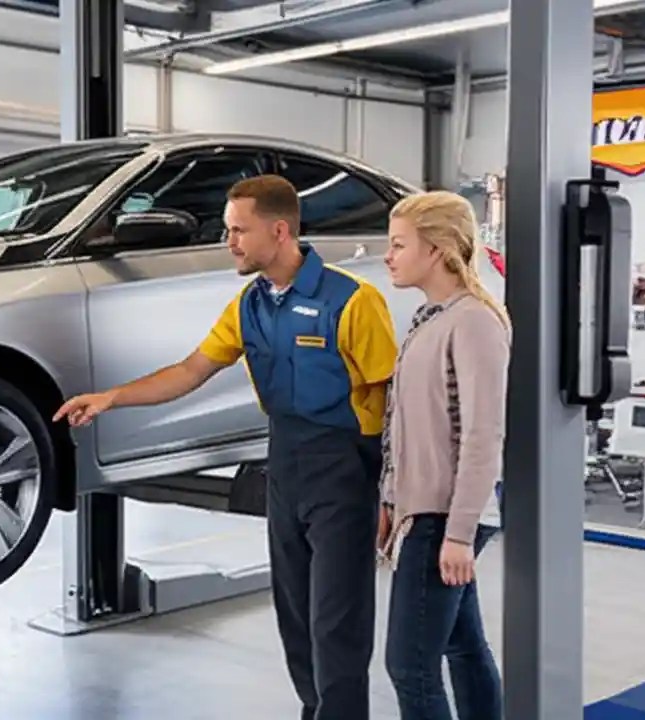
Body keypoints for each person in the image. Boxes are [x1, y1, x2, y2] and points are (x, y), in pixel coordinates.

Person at [54, 175, 398, 720]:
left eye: (239, 230)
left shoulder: (353, 301)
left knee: (338, 620)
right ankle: (314, 709)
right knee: (295, 616)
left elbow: (392, 400)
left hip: (345, 469)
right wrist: (112, 398)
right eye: (227, 229)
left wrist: (391, 496)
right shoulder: (249, 304)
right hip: (283, 461)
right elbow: (192, 371)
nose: (228, 241)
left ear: (279, 231)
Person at [377, 190, 509, 720]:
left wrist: (458, 532)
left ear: (436, 249)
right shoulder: (429, 317)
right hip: (425, 513)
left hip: (444, 519)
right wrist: (391, 499)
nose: (389, 256)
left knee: (409, 666)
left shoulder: (474, 321)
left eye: (398, 244)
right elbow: (402, 425)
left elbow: (483, 434)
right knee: (463, 647)